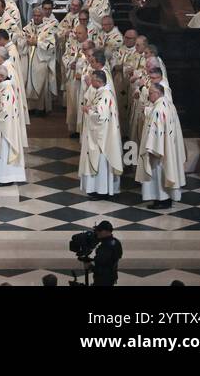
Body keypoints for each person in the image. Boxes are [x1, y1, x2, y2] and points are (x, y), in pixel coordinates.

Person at [135, 83, 187, 209]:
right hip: (168, 147)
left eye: (151, 93)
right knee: (166, 171)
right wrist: (146, 111)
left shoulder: (158, 109)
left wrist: (152, 148)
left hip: (158, 149)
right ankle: (166, 198)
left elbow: (157, 130)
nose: (148, 95)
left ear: (158, 94)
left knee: (158, 173)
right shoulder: (167, 104)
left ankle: (161, 199)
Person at [78, 69, 123, 198]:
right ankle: (95, 189)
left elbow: (100, 118)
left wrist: (88, 110)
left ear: (98, 81)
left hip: (101, 139)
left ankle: (101, 190)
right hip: (99, 135)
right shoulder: (102, 93)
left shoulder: (105, 96)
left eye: (92, 80)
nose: (90, 82)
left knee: (101, 163)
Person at [91, 221, 123, 287]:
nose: (97, 232)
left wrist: (90, 266)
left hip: (103, 279)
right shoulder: (116, 242)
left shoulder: (106, 246)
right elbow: (118, 256)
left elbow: (100, 264)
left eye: (100, 230)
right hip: (111, 276)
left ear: (107, 231)